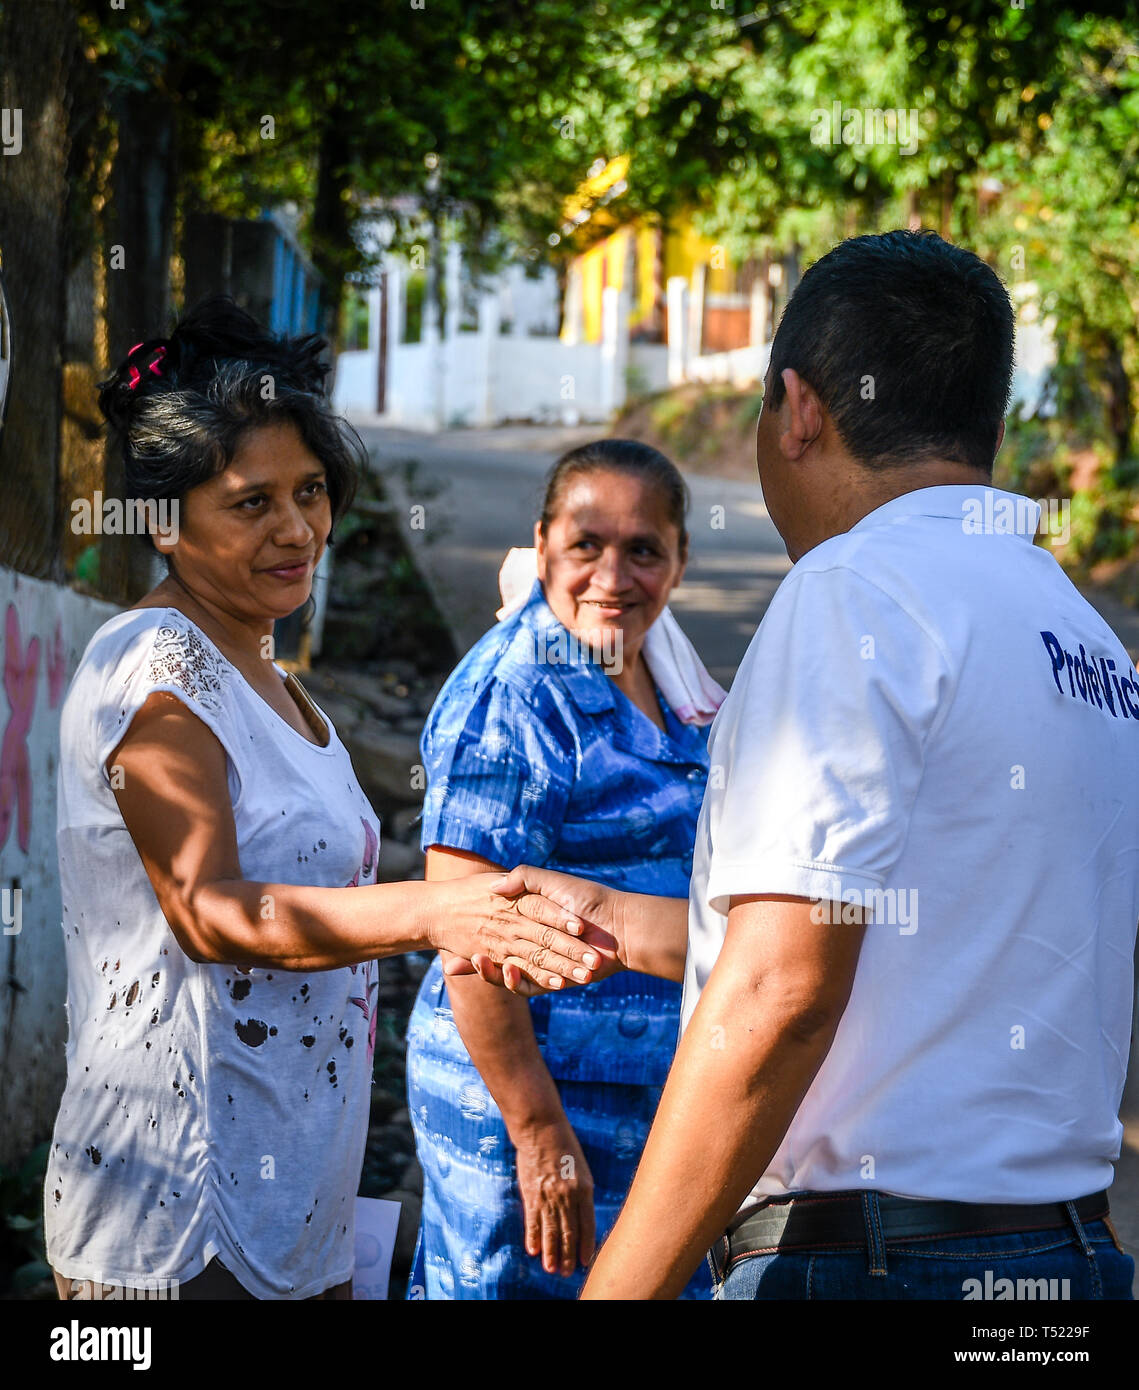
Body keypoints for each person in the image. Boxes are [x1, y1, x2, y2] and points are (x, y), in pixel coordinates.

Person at [479, 230, 1139, 1300]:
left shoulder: (852, 591)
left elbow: (782, 988)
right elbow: (925, 938)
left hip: (877, 1264)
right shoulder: (1080, 632)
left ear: (796, 408)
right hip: (1060, 1264)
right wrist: (623, 915)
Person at [43, 297, 595, 1302]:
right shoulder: (159, 669)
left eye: (310, 491)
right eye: (252, 503)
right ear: (164, 524)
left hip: (294, 1196)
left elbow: (309, 876)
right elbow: (212, 912)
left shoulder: (268, 674)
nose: (298, 529)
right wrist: (431, 911)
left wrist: (483, 894)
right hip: (178, 1208)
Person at [405, 439, 723, 1299]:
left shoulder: (675, 686)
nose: (613, 576)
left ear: (680, 561)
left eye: (643, 549)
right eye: (587, 545)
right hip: (534, 1102)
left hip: (643, 1101)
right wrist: (537, 1130)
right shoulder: (516, 693)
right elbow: (463, 926)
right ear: (542, 545)